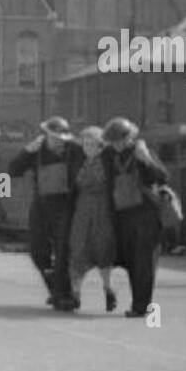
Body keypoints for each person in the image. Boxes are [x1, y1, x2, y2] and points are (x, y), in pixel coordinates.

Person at [7, 116, 84, 311]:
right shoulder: (36, 152)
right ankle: (54, 287)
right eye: (54, 136)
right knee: (38, 251)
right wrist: (26, 151)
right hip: (41, 206)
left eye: (61, 137)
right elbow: (11, 171)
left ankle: (64, 295)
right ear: (46, 135)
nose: (58, 141)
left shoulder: (75, 151)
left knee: (63, 251)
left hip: (66, 207)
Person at [101, 117, 169, 319]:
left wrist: (146, 158)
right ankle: (139, 303)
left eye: (121, 140)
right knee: (131, 260)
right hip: (122, 215)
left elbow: (163, 177)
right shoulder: (107, 155)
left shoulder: (141, 152)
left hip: (145, 214)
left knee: (144, 262)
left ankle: (142, 306)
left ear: (129, 137)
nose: (118, 144)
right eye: (113, 141)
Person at [66, 126, 117, 312]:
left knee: (102, 248)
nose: (87, 147)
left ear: (100, 146)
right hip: (83, 210)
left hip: (101, 209)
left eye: (91, 144)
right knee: (78, 248)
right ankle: (76, 293)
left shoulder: (105, 163)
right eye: (85, 144)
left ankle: (108, 289)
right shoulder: (83, 163)